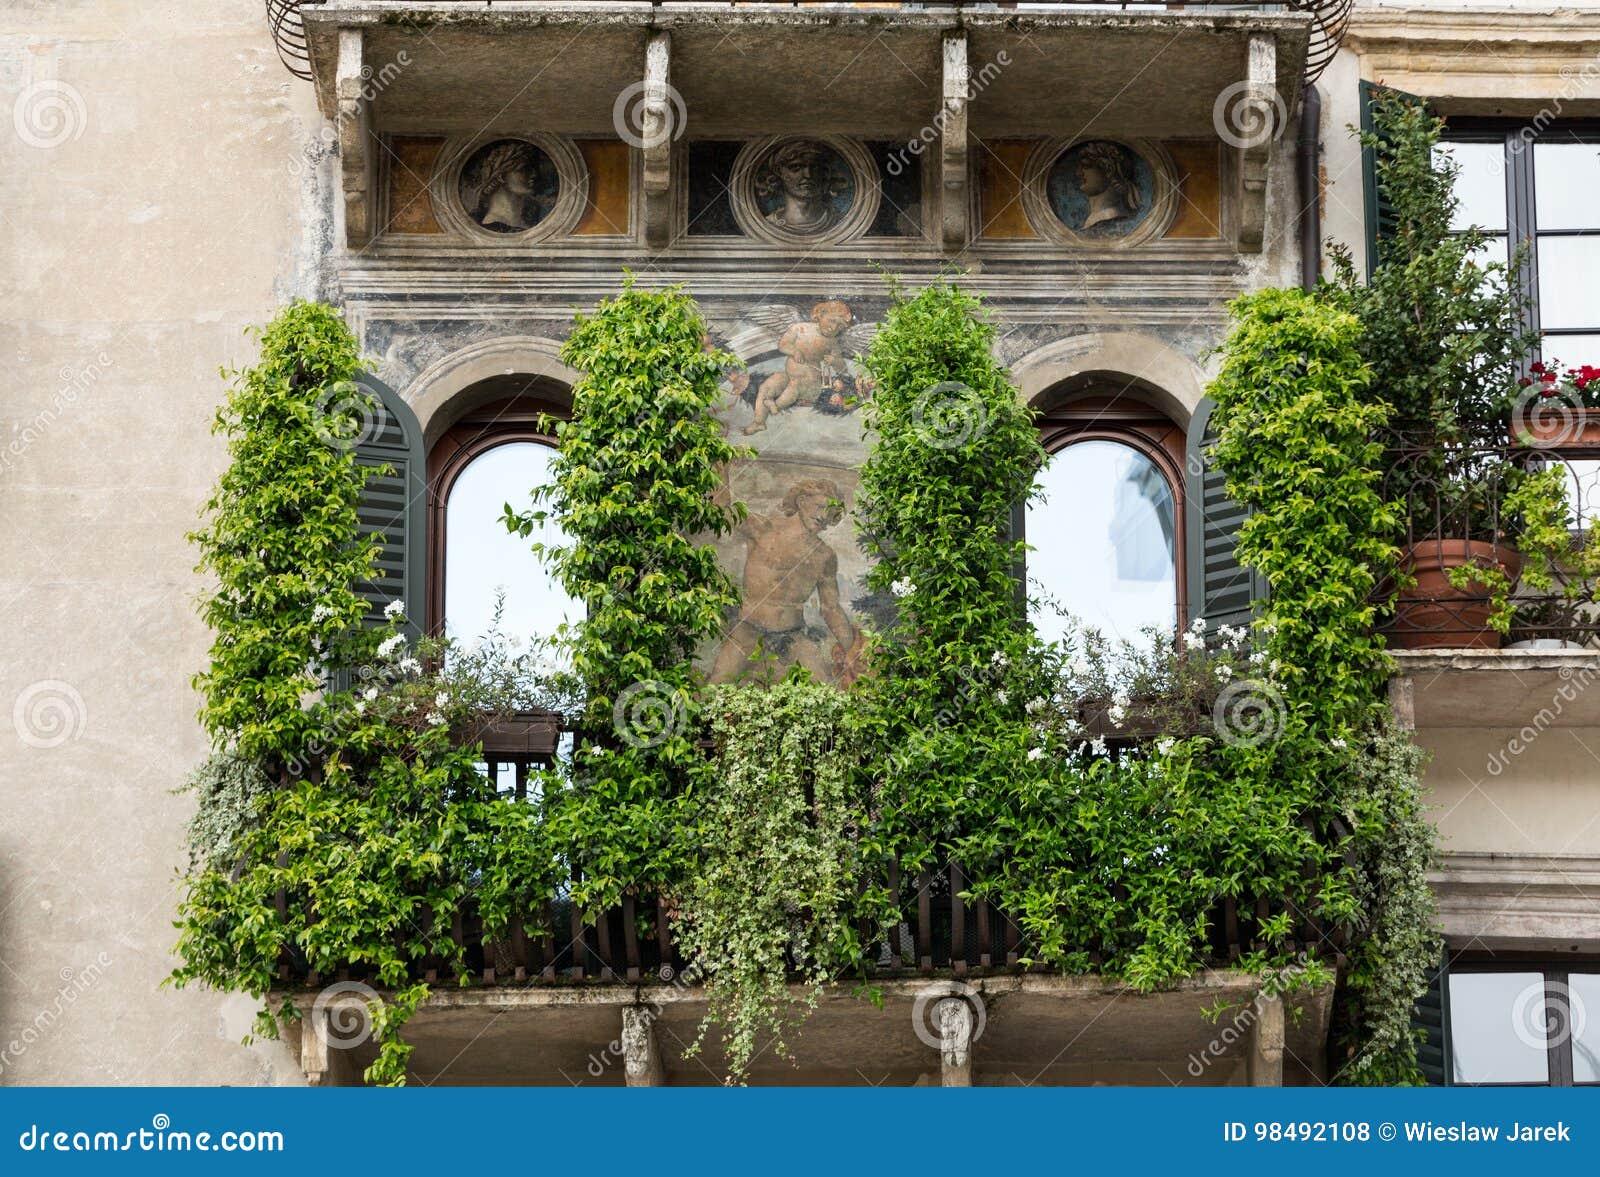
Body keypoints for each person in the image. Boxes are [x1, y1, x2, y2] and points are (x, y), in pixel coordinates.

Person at [711, 478, 866, 685]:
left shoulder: (824, 555)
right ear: (802, 501)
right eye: (820, 507)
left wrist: (851, 649)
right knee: (715, 688)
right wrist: (722, 469)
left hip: (793, 636)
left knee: (823, 690)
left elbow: (831, 609)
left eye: (829, 512)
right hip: (748, 629)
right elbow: (720, 512)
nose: (823, 516)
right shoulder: (763, 528)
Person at [743, 300, 854, 435]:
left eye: (839, 326)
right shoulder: (800, 328)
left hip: (811, 383)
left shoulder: (832, 343)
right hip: (789, 376)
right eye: (832, 321)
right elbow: (782, 345)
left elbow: (843, 369)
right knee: (767, 385)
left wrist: (835, 361)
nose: (834, 328)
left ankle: (775, 406)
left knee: (795, 385)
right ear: (820, 314)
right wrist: (794, 351)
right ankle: (759, 422)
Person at [757, 140, 848, 233]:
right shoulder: (768, 223)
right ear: (780, 172)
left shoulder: (840, 221)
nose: (808, 175)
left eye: (816, 167)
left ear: (825, 173)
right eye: (796, 167)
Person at [469, 142, 551, 232]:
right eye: (523, 169)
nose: (534, 174)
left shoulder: (529, 221)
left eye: (534, 169)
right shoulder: (492, 225)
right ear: (500, 176)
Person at [1075, 142, 1141, 231]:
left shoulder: (1111, 217)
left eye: (1086, 166)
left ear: (1109, 170)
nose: (1079, 173)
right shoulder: (1093, 219)